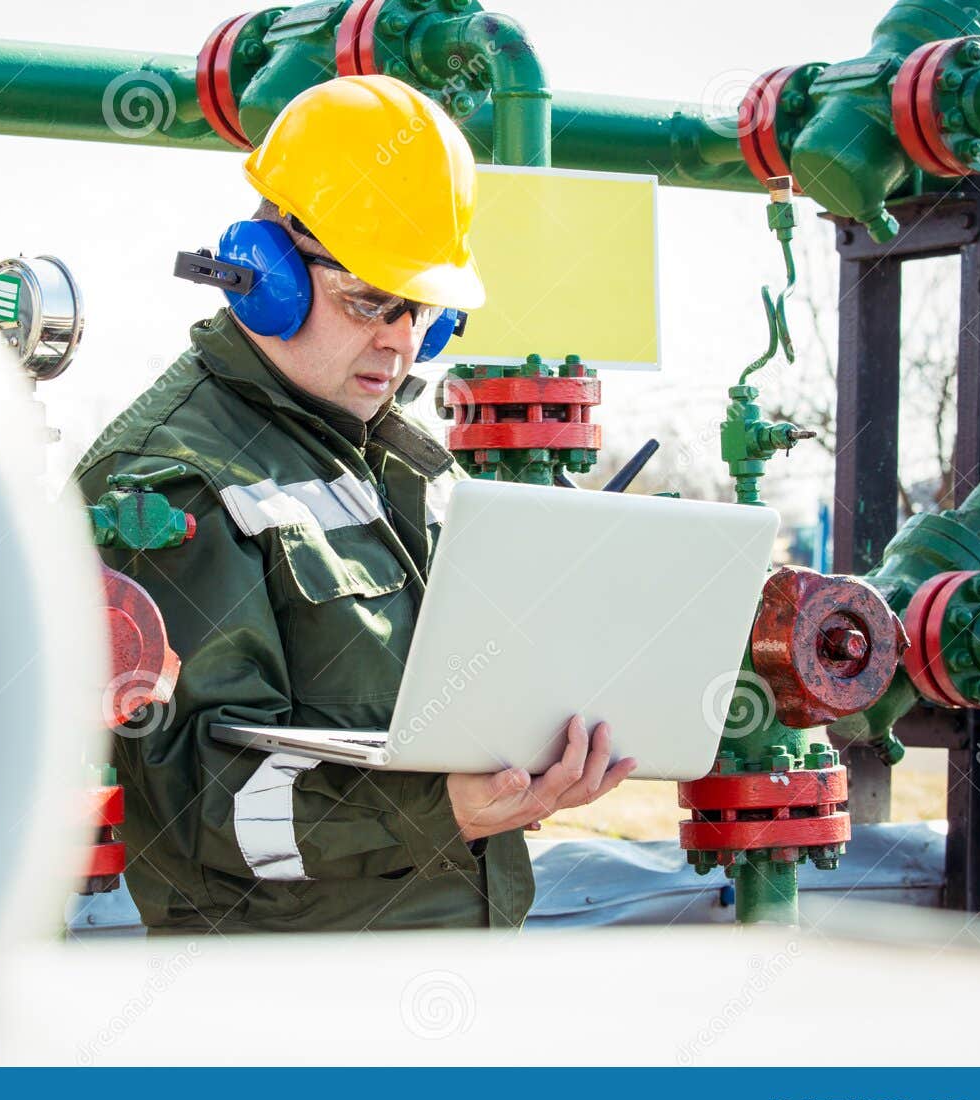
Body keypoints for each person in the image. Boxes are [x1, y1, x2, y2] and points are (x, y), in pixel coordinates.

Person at [73, 74, 634, 934]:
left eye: (422, 310)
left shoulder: (406, 465)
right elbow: (200, 801)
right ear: (265, 275)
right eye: (370, 298)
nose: (400, 339)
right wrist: (440, 808)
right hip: (288, 1018)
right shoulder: (166, 480)